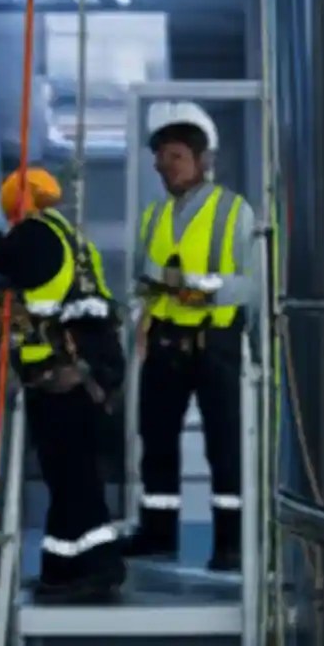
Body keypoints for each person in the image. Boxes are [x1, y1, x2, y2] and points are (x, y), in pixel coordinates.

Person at [0, 167, 126, 601]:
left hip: (62, 374)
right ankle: (62, 569)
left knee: (71, 477)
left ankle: (97, 567)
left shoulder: (33, 234)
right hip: (92, 372)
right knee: (71, 476)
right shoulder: (73, 237)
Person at [122, 100, 259, 572]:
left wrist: (201, 289)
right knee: (156, 440)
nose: (164, 164)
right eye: (160, 156)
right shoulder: (152, 217)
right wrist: (143, 318)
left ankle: (231, 544)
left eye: (175, 155)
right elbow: (139, 278)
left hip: (214, 343)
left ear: (203, 160)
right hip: (162, 343)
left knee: (224, 445)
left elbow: (253, 283)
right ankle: (158, 534)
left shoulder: (234, 212)